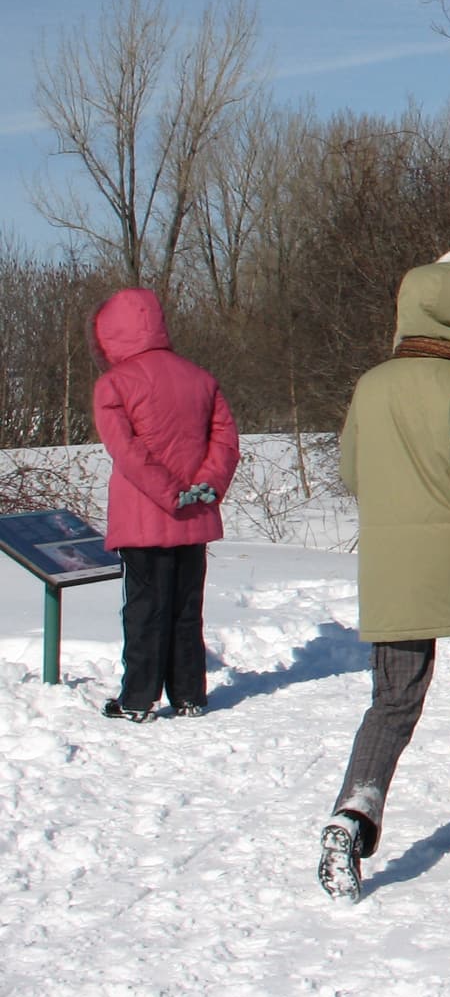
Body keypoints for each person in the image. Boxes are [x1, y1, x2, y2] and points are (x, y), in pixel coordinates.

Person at [318, 246, 450, 902]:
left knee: (393, 700)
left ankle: (353, 816)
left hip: (393, 571)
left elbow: (354, 474)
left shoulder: (371, 386)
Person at [91, 288, 240, 723]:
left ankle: (138, 698)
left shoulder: (114, 384)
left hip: (145, 516)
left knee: (144, 608)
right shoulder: (200, 378)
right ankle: (190, 694)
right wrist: (205, 486)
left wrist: (169, 492)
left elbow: (127, 451)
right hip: (195, 514)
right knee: (184, 607)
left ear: (109, 333)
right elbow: (226, 442)